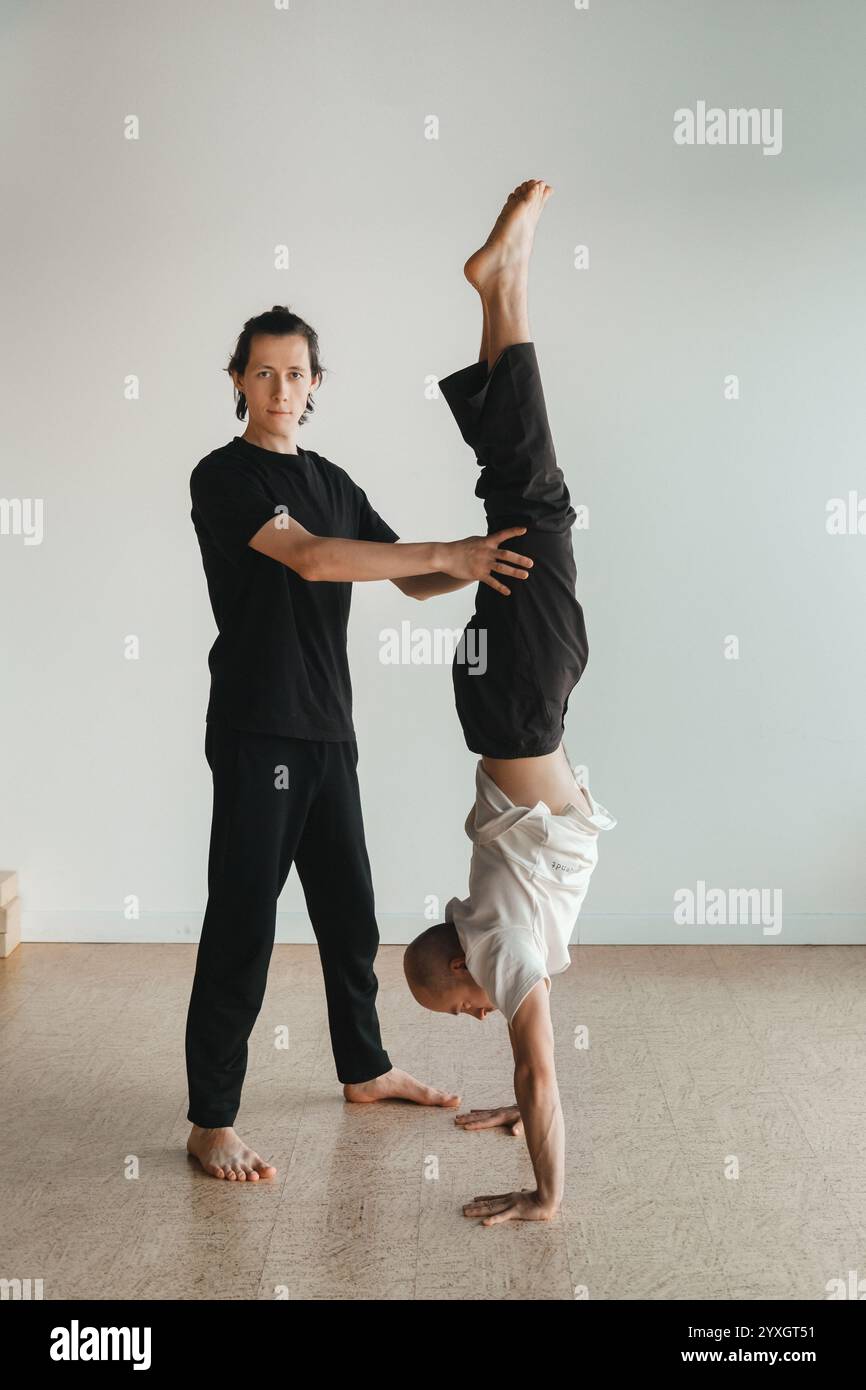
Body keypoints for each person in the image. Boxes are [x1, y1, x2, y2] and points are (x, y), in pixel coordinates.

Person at [185, 304, 536, 1181]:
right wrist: (446, 553)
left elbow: (409, 576)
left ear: (316, 385)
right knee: (244, 922)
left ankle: (366, 1068)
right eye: (262, 371)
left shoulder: (332, 480)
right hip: (258, 725)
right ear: (238, 380)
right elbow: (309, 558)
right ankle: (210, 1119)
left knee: (350, 917)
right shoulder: (220, 476)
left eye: (296, 373)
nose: (279, 388)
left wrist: (481, 563)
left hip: (326, 729)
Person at [403, 179, 617, 1226]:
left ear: (458, 966)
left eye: (454, 1006)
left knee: (529, 499)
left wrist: (544, 1193)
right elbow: (521, 1079)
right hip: (502, 713)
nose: (470, 1014)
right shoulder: (486, 927)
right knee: (519, 494)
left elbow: (541, 1073)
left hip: (519, 712)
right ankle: (500, 287)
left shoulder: (498, 951)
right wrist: (506, 1110)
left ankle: (504, 283)